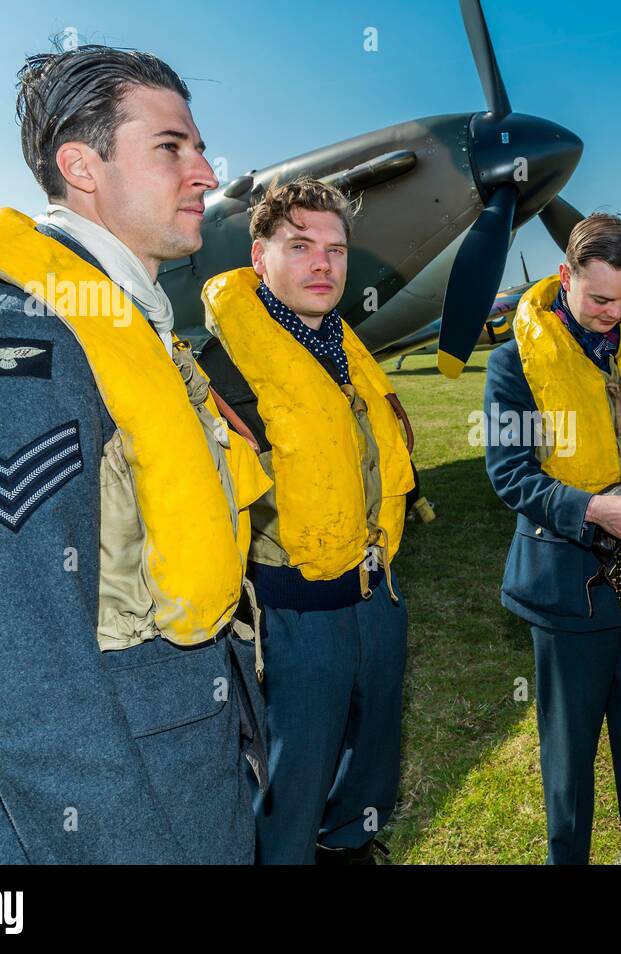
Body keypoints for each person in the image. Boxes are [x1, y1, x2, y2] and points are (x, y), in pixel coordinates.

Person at [0, 45, 271, 864]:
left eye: (200, 147)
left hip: (194, 758)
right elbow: (21, 669)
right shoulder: (17, 342)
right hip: (127, 807)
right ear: (82, 166)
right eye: (172, 147)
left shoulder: (134, 332)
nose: (207, 172)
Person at [198, 177, 415, 864]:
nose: (323, 265)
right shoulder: (224, 369)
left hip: (377, 596)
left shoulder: (346, 350)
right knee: (293, 779)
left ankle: (349, 849)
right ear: (260, 257)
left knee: (372, 754)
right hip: (295, 617)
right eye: (301, 247)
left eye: (336, 250)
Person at [483, 213, 621, 864]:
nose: (616, 313)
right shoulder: (513, 362)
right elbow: (511, 473)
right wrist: (592, 509)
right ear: (565, 277)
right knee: (569, 771)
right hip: (564, 594)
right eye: (601, 298)